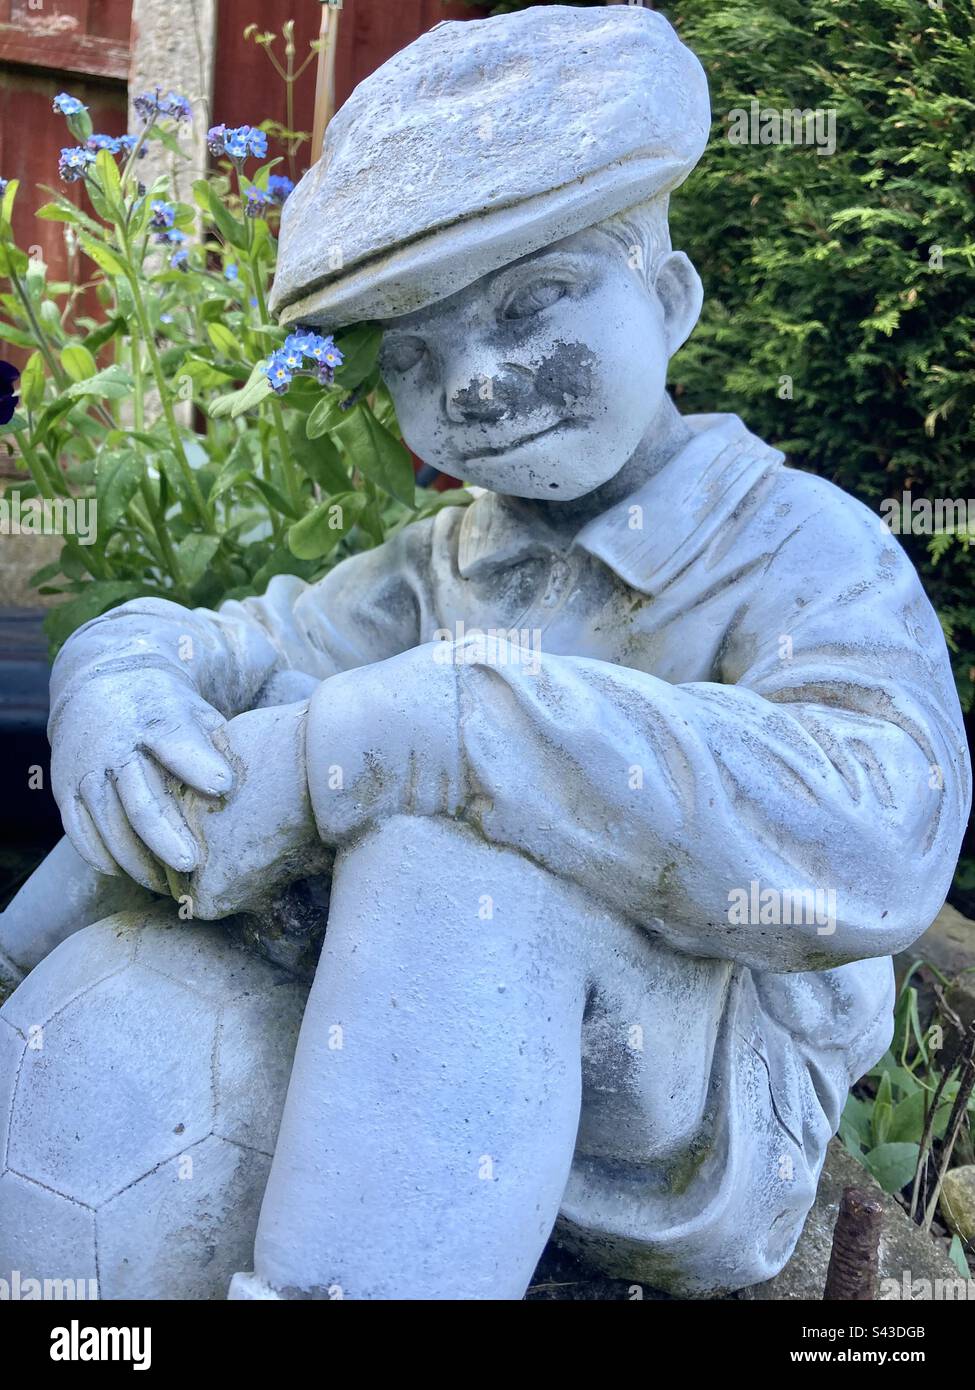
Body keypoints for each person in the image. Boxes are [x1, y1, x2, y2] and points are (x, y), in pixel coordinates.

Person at [2, 5, 970, 1299]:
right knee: (202, 760)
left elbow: (884, 829)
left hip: (699, 1100)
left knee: (448, 846)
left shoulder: (805, 549)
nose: (475, 384)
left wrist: (439, 725)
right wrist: (114, 678)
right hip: (455, 1056)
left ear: (670, 298)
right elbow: (235, 644)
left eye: (532, 305)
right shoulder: (449, 559)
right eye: (417, 354)